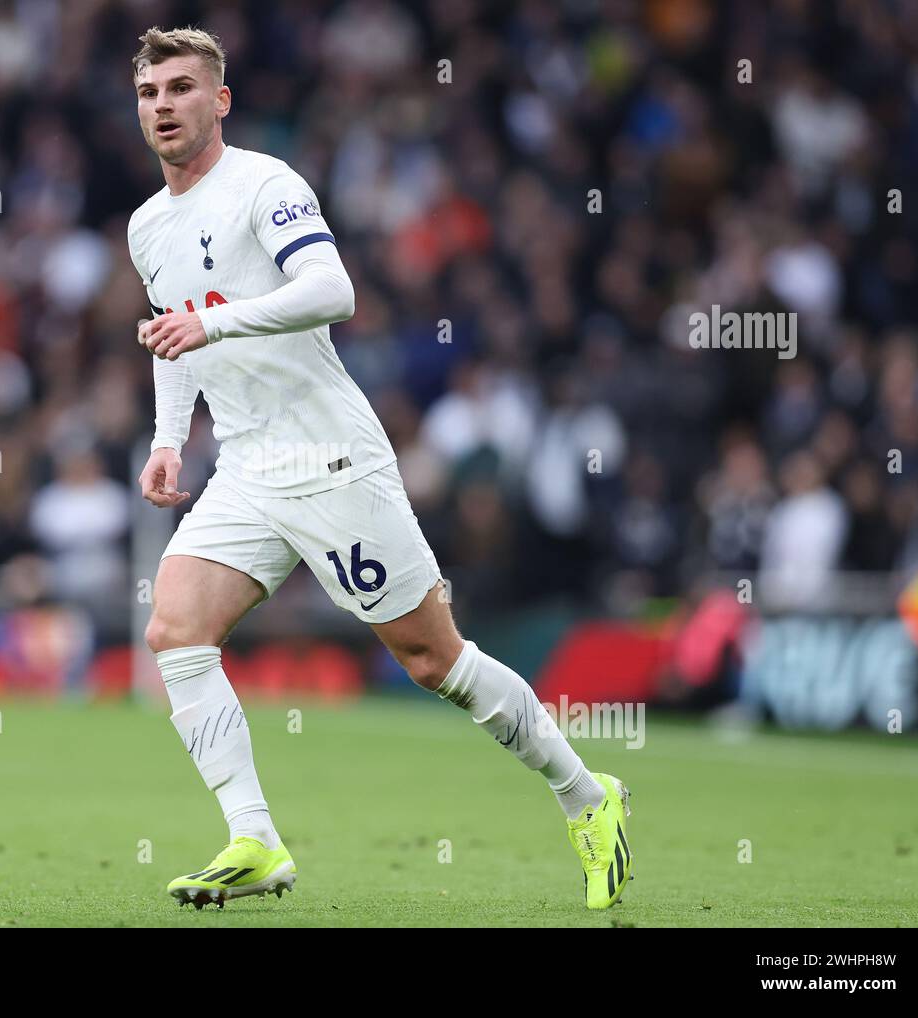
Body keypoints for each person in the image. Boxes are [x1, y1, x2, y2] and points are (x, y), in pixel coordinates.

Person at [126, 26, 632, 911]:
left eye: (179, 88)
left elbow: (335, 292)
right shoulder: (146, 227)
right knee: (174, 631)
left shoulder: (265, 184)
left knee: (435, 660)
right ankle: (255, 839)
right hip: (244, 466)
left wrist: (218, 322)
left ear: (220, 101)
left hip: (329, 456)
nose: (163, 106)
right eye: (149, 92)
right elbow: (174, 338)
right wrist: (171, 437)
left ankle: (588, 797)